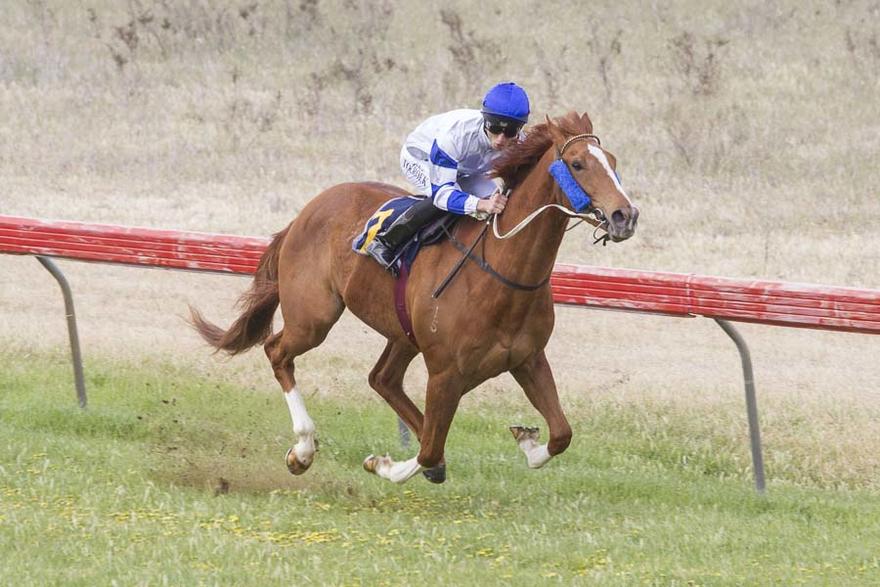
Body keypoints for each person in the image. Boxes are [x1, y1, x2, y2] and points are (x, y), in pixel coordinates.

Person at [366, 82, 530, 268]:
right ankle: (386, 240)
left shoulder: (521, 142)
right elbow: (442, 195)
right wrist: (481, 204)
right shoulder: (456, 136)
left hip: (467, 169)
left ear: (520, 129)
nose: (501, 139)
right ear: (485, 119)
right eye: (494, 128)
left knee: (493, 202)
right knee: (451, 201)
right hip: (421, 159)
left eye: (509, 132)